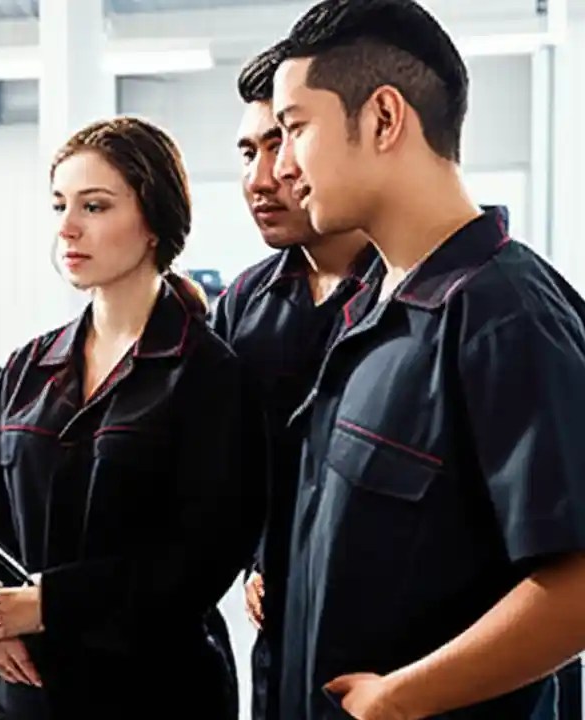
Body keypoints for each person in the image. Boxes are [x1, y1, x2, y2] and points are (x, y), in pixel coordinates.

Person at [268, 1, 585, 717]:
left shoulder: (505, 315)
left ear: (384, 118)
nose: (282, 167)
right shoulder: (370, 310)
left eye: (294, 129)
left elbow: (578, 585)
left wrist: (401, 700)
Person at [0, 116, 268, 719]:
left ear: (153, 221)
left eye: (95, 207)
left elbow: (202, 557)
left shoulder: (206, 373)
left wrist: (49, 602)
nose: (68, 229)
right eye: (59, 207)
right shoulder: (29, 366)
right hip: (34, 689)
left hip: (158, 691)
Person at [213, 40, 376, 720]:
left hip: (403, 648)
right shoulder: (245, 305)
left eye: (282, 142)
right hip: (284, 637)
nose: (262, 177)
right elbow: (239, 462)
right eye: (247, 153)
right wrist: (257, 557)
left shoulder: (425, 298)